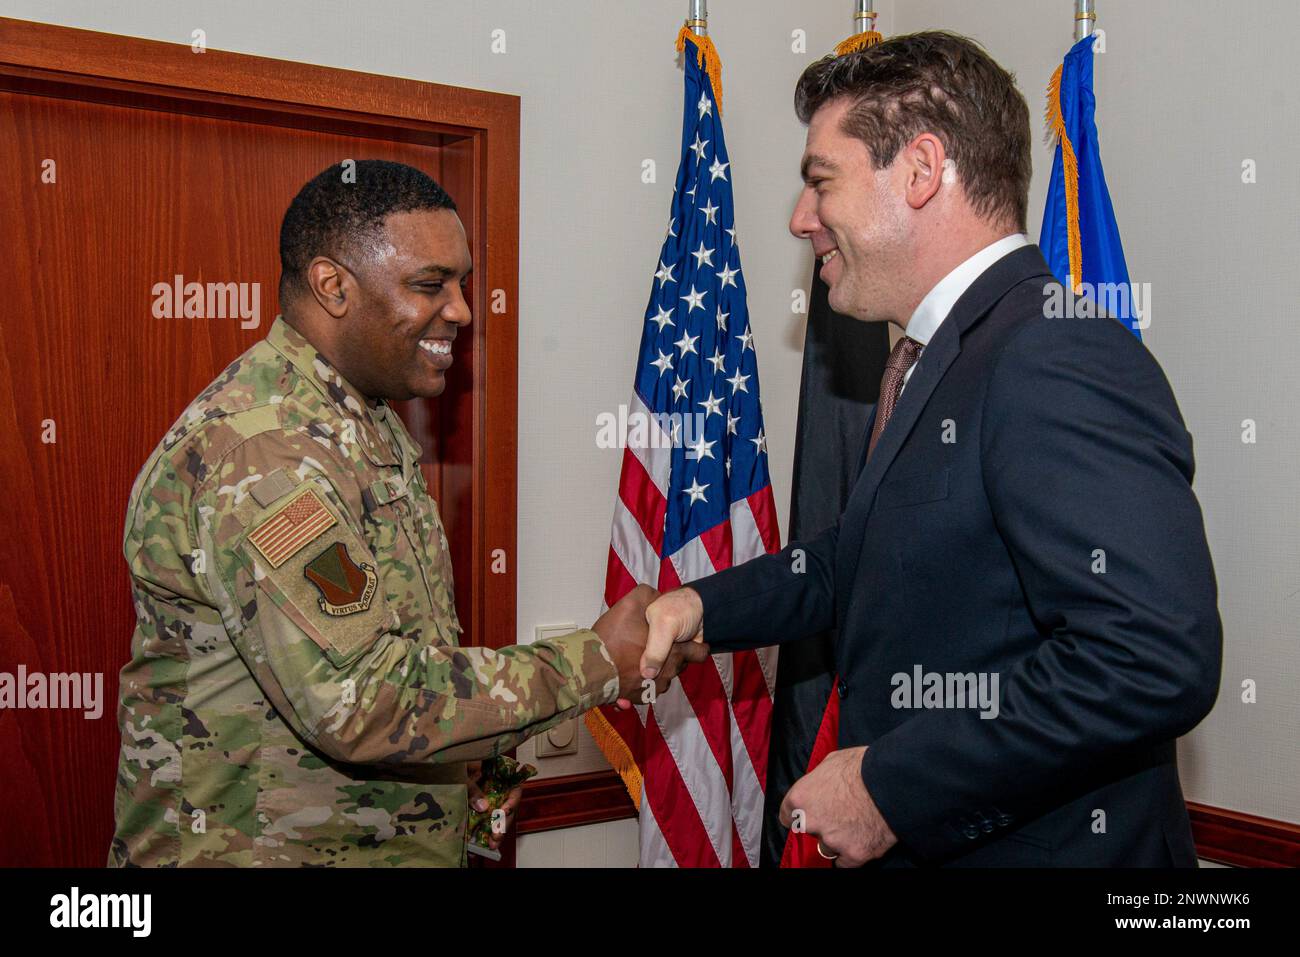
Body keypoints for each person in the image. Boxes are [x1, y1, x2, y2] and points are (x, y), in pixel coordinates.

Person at [640, 32, 1222, 867]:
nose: (801, 218)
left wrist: (887, 785)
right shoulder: (941, 357)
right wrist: (701, 605)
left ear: (920, 170)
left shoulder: (1051, 352)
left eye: (820, 181)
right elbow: (861, 559)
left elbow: (1150, 656)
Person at [110, 159, 702, 867]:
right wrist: (596, 660)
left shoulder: (361, 418)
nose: (461, 311)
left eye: (462, 283)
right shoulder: (266, 451)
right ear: (332, 286)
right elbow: (363, 700)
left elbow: (405, 643)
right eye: (430, 284)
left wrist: (467, 774)